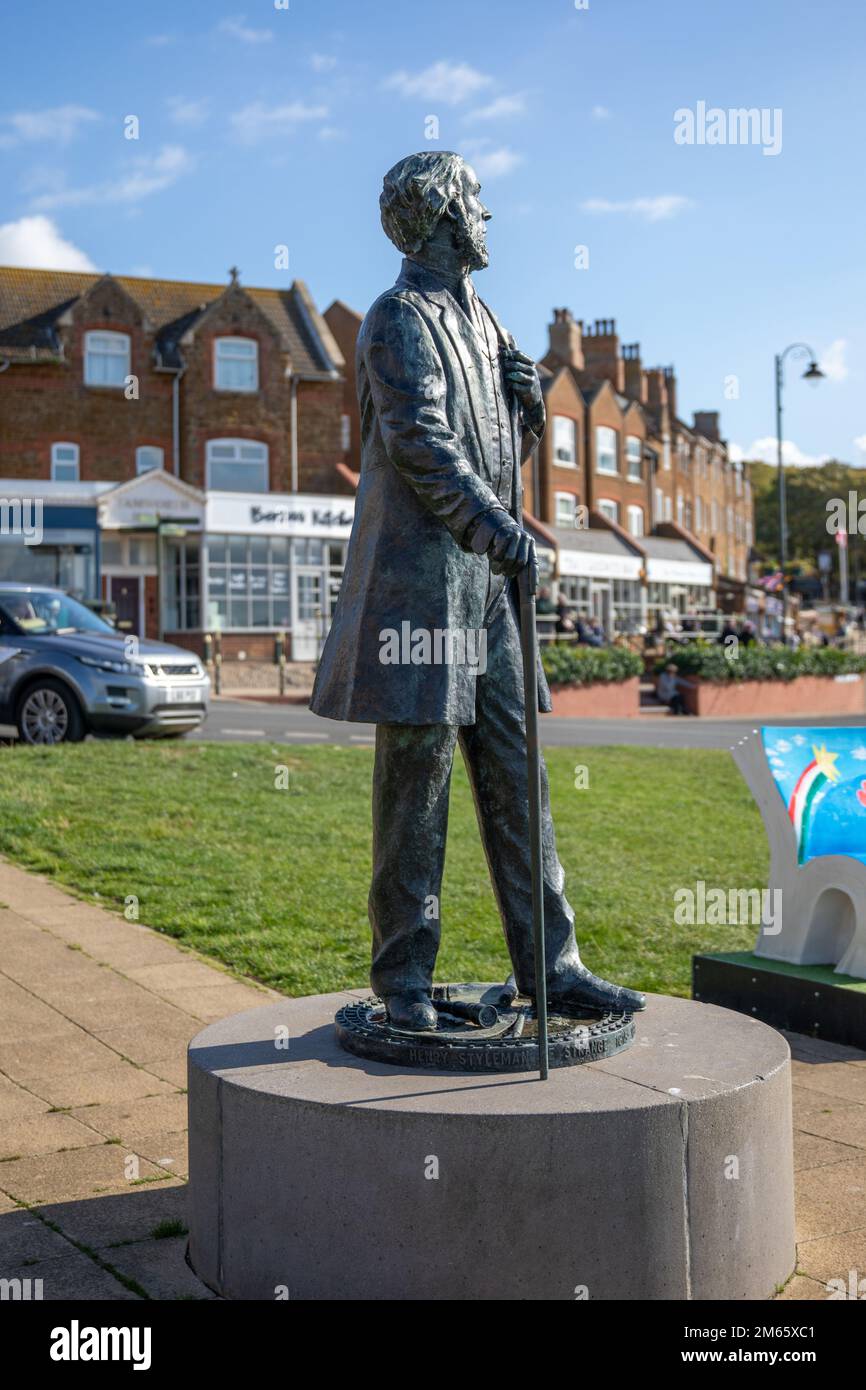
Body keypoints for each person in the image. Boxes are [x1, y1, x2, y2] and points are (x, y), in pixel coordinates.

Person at [310, 151, 645, 1029]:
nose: (491, 215)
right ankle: (406, 981)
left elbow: (494, 458)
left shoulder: (484, 319)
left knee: (517, 773)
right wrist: (502, 531)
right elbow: (420, 445)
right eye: (480, 202)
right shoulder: (398, 317)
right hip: (422, 592)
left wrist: (525, 415)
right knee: (417, 787)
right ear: (445, 214)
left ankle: (551, 964)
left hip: (486, 588)